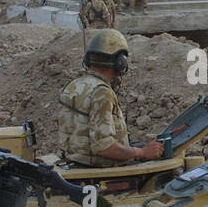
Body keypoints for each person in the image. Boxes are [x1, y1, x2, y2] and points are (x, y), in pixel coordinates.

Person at [58, 29, 164, 167]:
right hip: (99, 166)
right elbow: (103, 146)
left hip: (76, 161)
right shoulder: (101, 93)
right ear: (120, 63)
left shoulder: (73, 85)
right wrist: (142, 152)